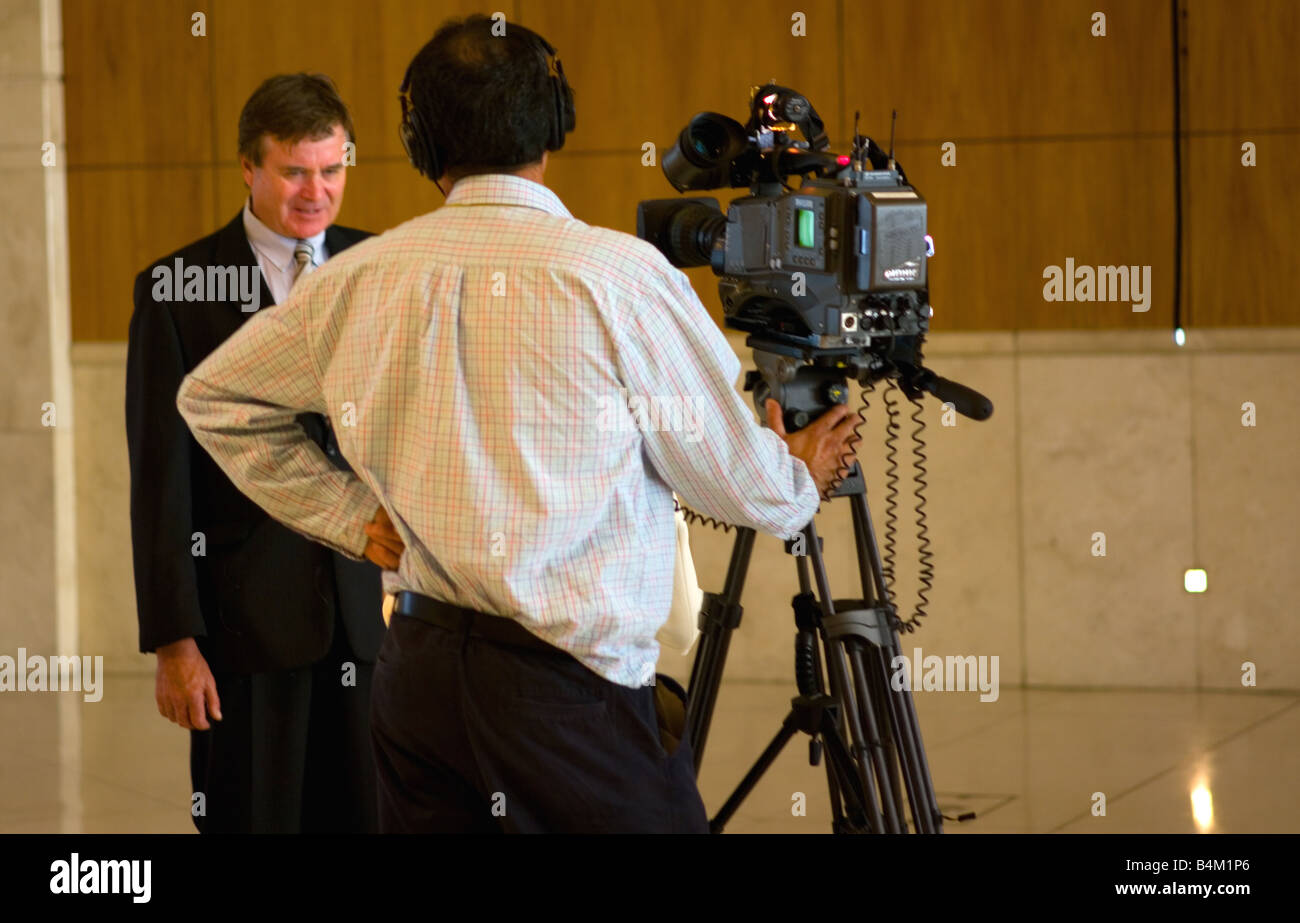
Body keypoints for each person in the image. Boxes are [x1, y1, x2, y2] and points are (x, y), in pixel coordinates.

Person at [175, 16, 859, 833]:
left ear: (417, 139)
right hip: (567, 700)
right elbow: (746, 486)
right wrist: (798, 478)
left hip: (417, 681)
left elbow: (212, 398)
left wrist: (349, 517)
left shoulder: (355, 280)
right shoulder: (618, 277)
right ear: (554, 126)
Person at [125, 73, 395, 833]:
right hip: (241, 632)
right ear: (250, 166)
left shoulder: (379, 271)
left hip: (367, 622)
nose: (317, 191)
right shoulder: (176, 290)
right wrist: (175, 643)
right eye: (294, 171)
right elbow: (159, 481)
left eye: (332, 169)